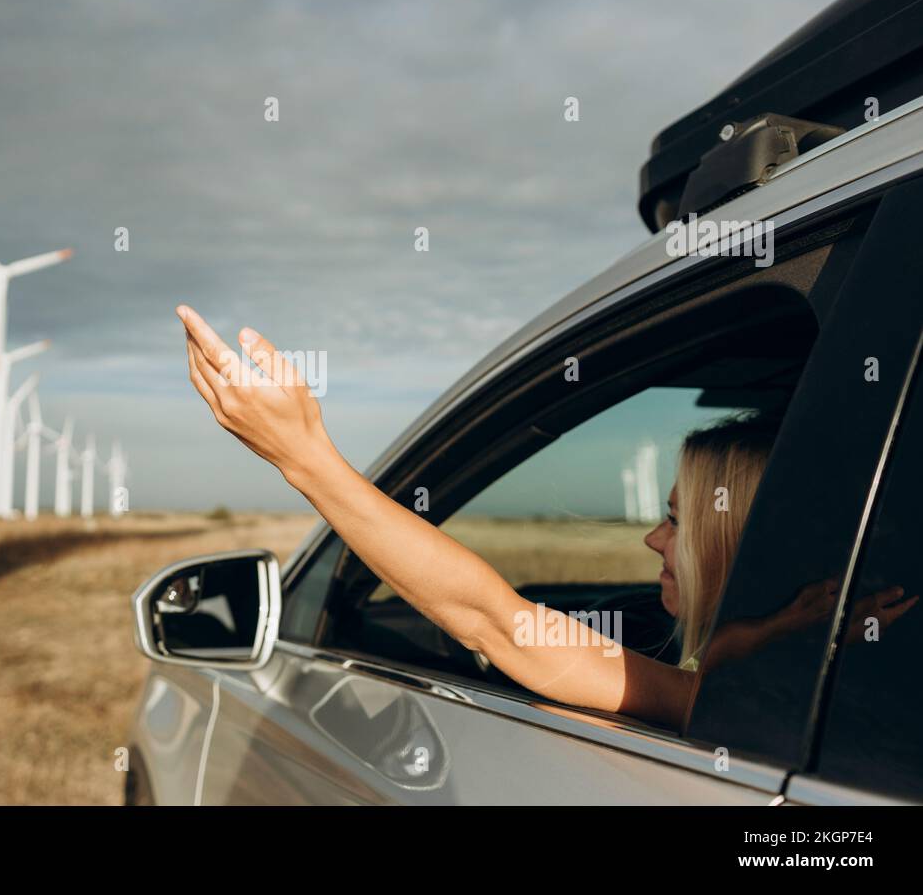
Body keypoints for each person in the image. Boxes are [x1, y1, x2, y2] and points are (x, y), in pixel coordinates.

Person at [176, 305, 917, 729]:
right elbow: (718, 663)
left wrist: (305, 458)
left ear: (739, 537)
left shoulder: (749, 705)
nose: (653, 538)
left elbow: (494, 622)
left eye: (678, 521)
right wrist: (780, 628)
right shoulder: (793, 674)